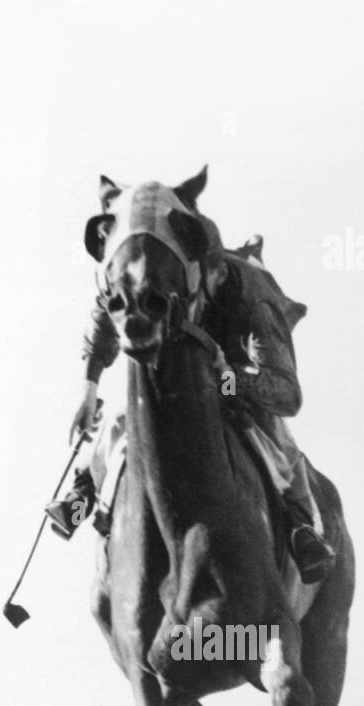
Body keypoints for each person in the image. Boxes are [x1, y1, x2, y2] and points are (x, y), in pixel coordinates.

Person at [45, 208, 336, 585]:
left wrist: (229, 380)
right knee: (125, 418)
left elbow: (287, 395)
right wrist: (89, 386)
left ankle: (300, 526)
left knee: (275, 441)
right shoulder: (170, 278)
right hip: (183, 381)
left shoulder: (253, 300)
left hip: (237, 388)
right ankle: (81, 495)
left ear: (217, 271)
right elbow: (106, 310)